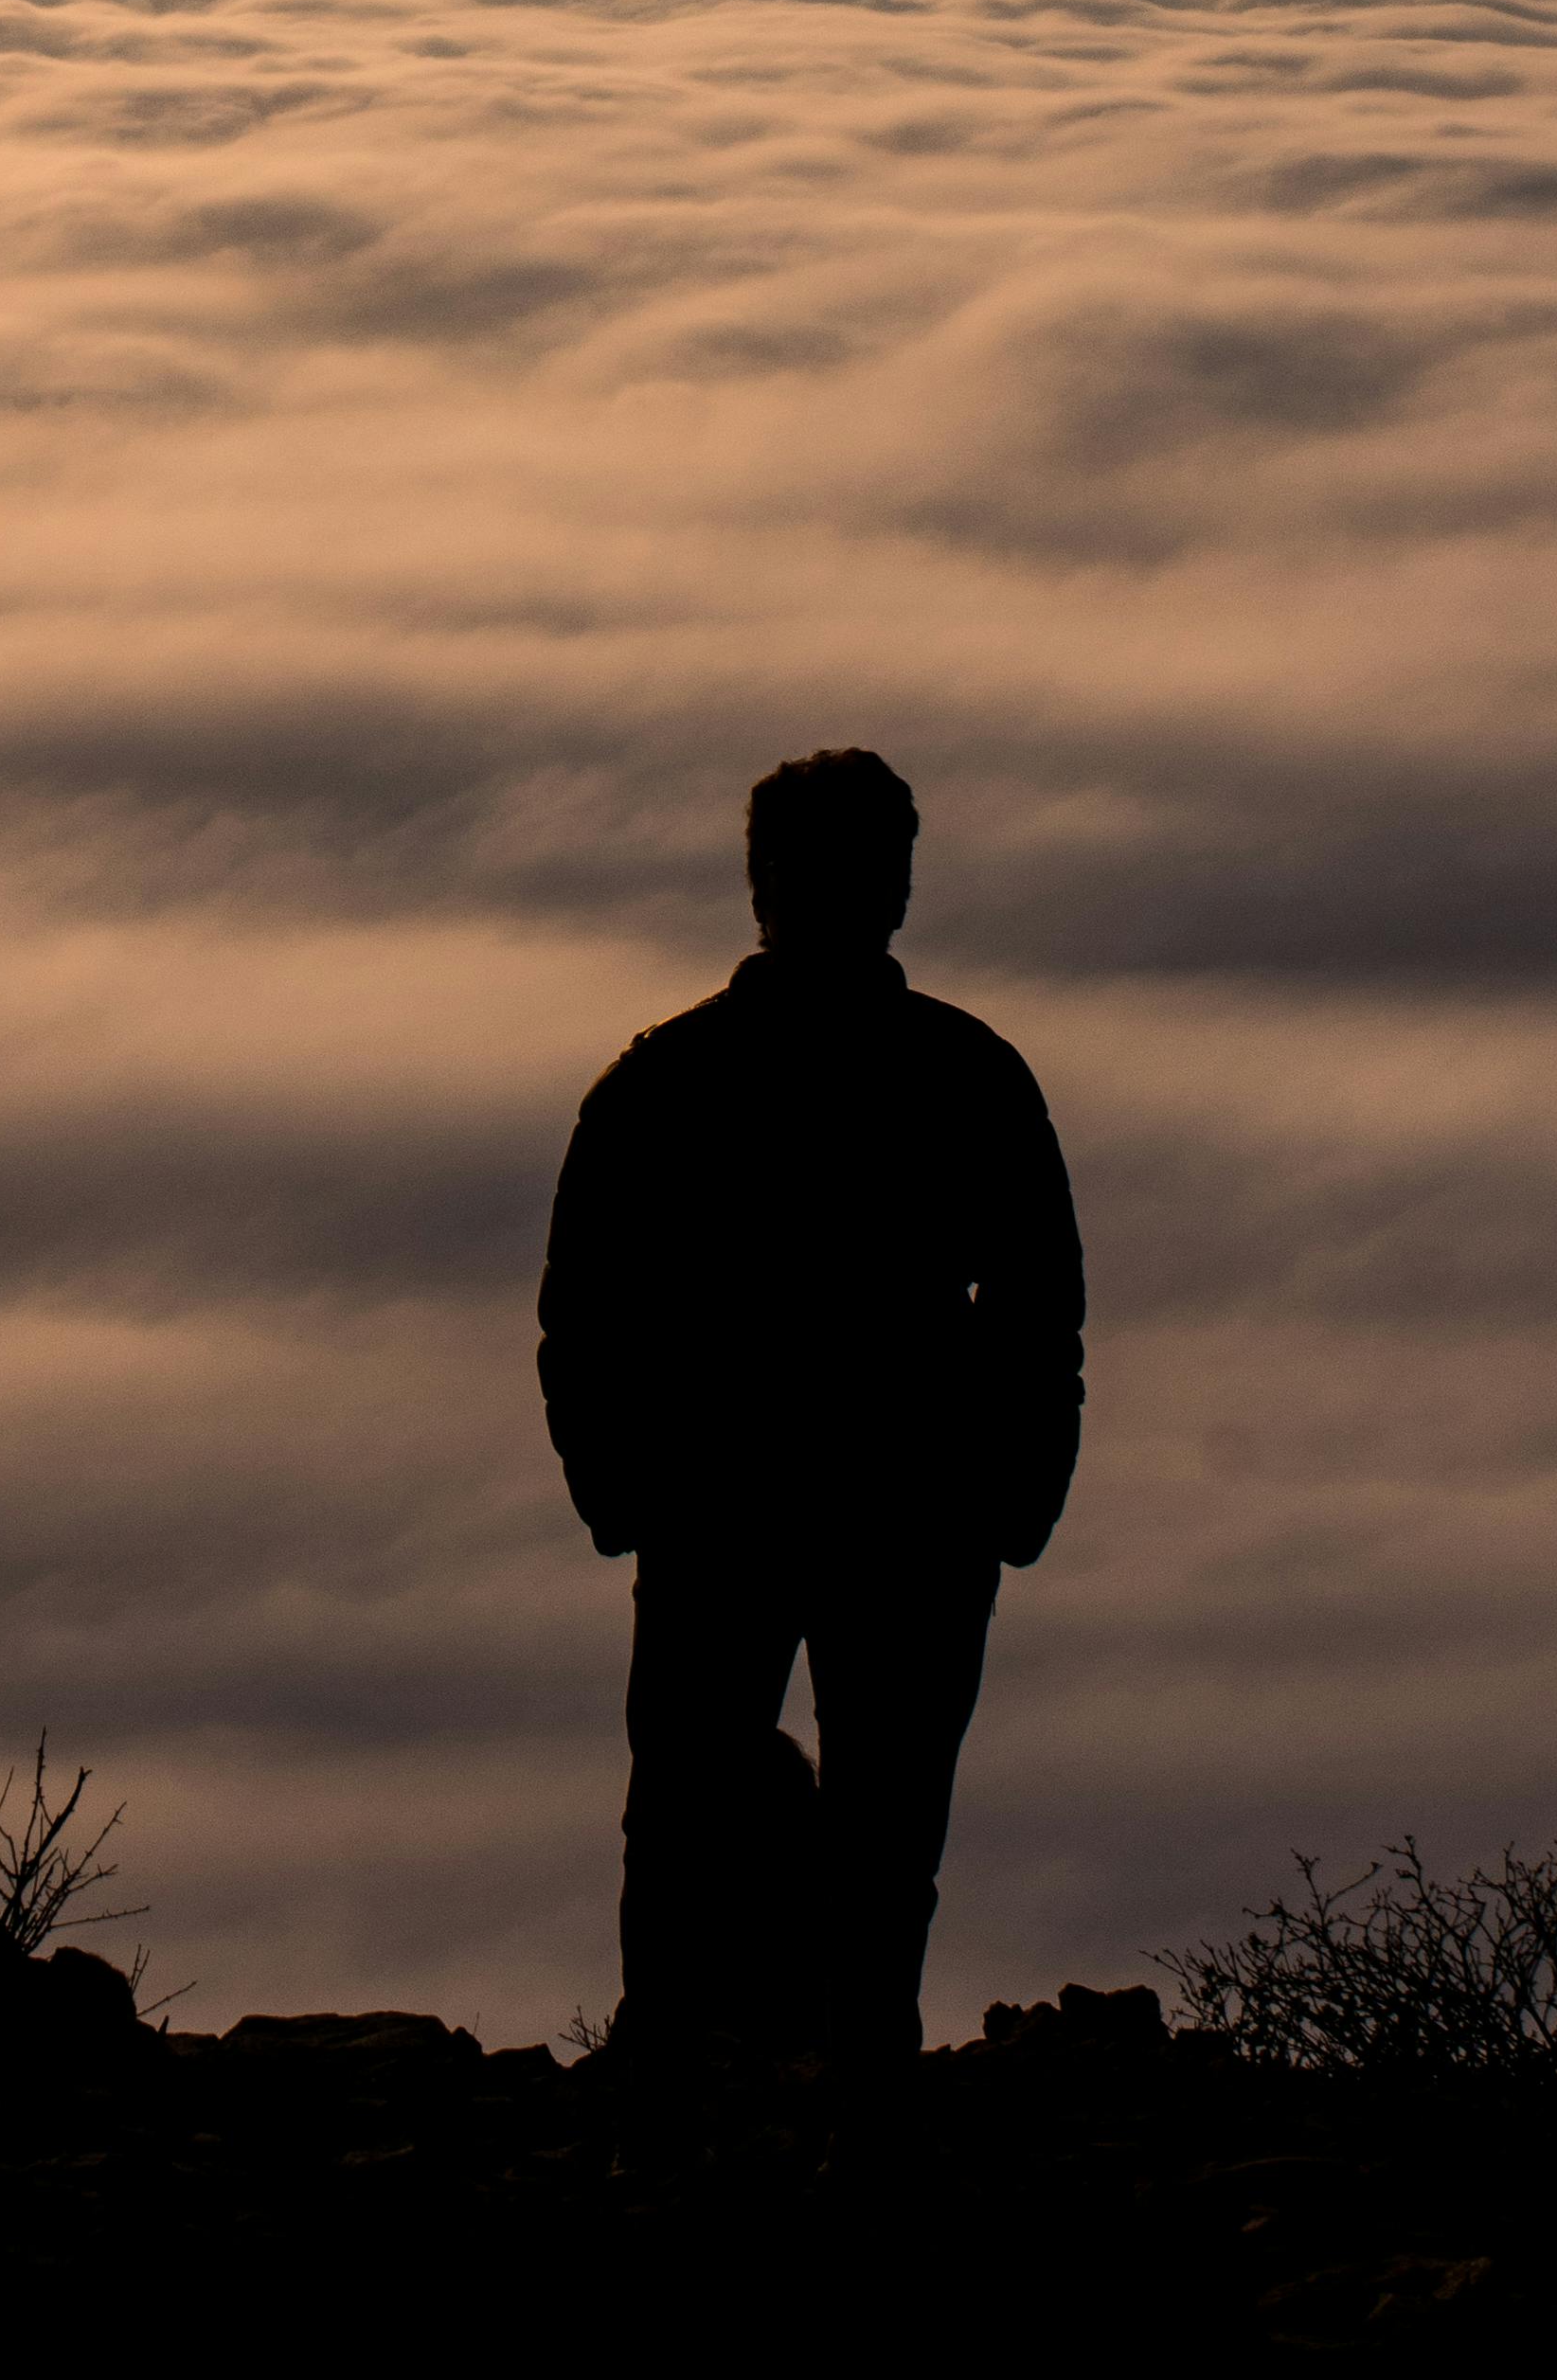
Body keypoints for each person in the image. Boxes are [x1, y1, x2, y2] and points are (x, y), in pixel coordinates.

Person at [537, 746, 1083, 2114]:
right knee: (687, 1813)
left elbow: (1036, 1306)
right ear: (760, 882)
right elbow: (587, 1311)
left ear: (900, 882)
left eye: (869, 863)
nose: (847, 891)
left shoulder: (957, 1077)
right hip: (735, 1502)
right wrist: (623, 1490)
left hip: (899, 1506)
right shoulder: (674, 1085)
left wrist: (1013, 1495)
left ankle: (853, 2100)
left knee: (878, 1829)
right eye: (816, 863)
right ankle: (670, 2089)